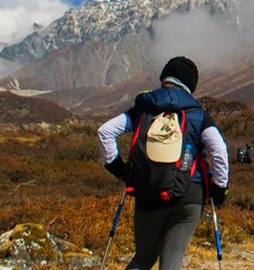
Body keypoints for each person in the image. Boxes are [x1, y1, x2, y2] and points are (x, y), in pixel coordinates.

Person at [97, 56, 229, 270]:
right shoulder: (197, 114)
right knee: (172, 260)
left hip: (148, 191)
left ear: (164, 78)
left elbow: (105, 132)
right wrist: (219, 187)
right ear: (190, 84)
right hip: (189, 194)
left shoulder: (143, 108)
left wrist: (119, 169)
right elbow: (219, 150)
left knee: (143, 258)